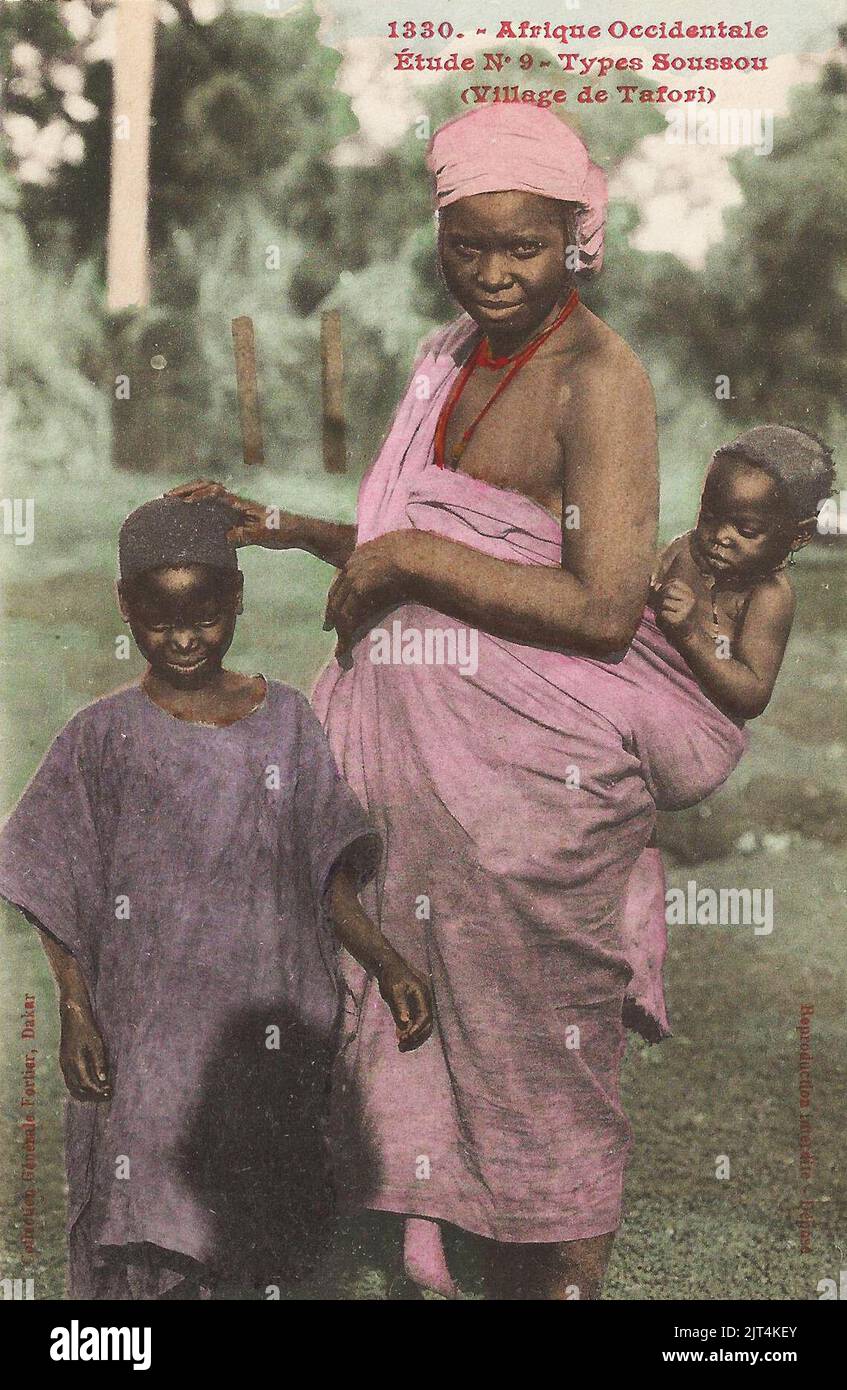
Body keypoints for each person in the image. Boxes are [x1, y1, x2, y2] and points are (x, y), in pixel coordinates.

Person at [172, 105, 747, 1300]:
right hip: (417, 786)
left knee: (536, 1051)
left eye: (523, 247)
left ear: (575, 238)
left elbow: (599, 605)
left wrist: (413, 561)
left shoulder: (600, 380)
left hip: (530, 789)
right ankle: (434, 1227)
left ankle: (566, 1277)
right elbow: (410, 544)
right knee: (410, 1016)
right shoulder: (451, 356)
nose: (493, 273)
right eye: (467, 244)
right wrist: (285, 526)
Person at [0, 495, 431, 1299]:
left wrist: (388, 962)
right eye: (160, 622)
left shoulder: (287, 722)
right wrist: (75, 1006)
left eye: (204, 617)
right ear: (125, 607)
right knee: (150, 1210)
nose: (184, 639)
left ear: (236, 598)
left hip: (269, 1029)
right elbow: (47, 867)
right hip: (149, 1036)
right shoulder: (101, 736)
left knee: (258, 1221)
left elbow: (326, 874)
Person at [651, 425, 834, 720]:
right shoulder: (686, 547)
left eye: (746, 530)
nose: (719, 536)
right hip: (650, 681)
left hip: (699, 716)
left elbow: (752, 696)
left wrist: (690, 634)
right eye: (708, 517)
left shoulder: (769, 595)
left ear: (799, 535)